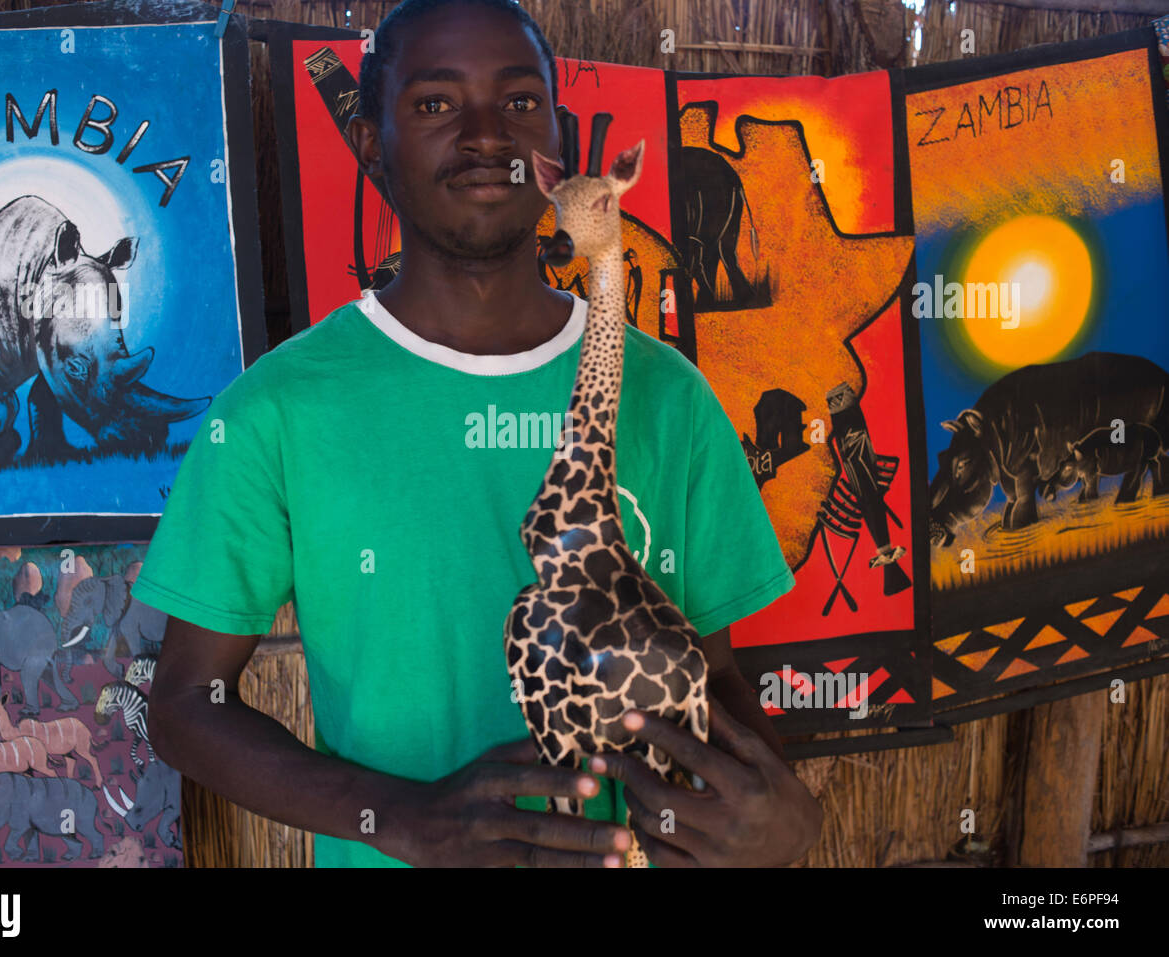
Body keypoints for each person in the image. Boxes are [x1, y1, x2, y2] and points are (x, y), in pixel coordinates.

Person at [132, 0, 822, 867]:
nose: (488, 135)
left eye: (520, 102)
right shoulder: (277, 410)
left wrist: (788, 823)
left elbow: (705, 680)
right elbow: (187, 705)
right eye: (435, 103)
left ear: (555, 143)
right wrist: (405, 818)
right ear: (373, 143)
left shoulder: (670, 397)